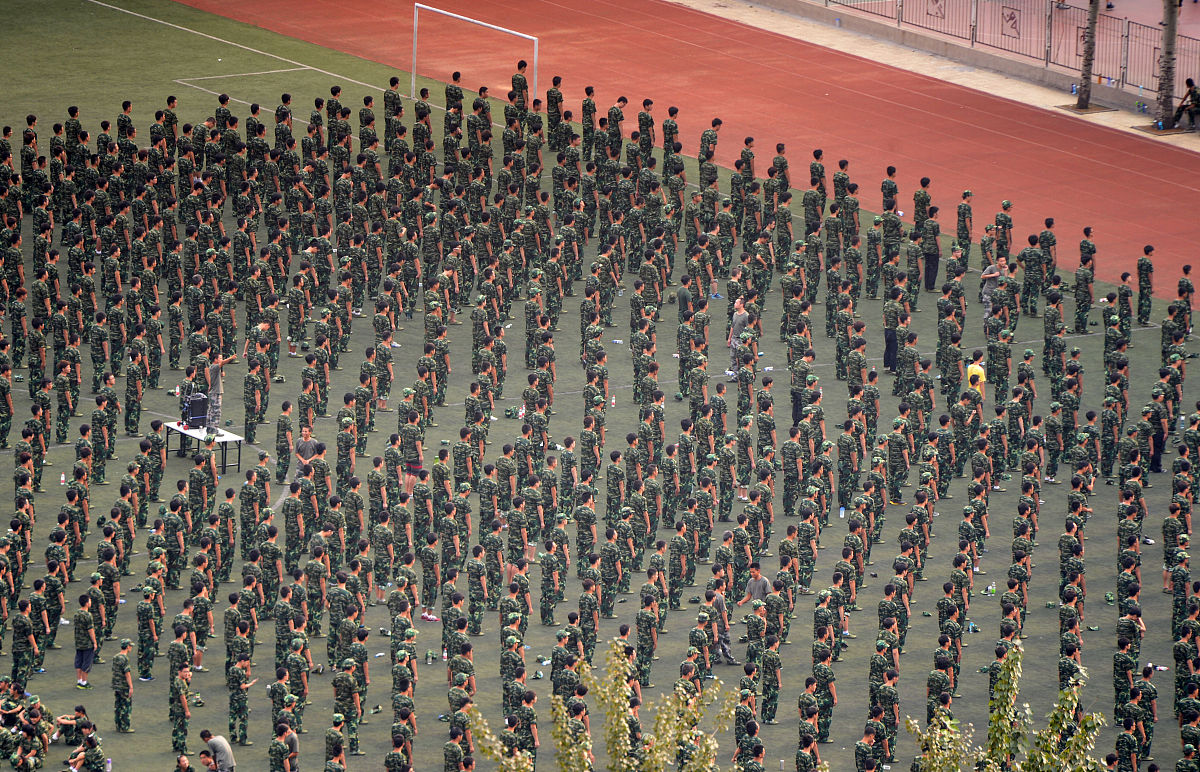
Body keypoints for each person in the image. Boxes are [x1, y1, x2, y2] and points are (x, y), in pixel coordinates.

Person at [206, 353, 239, 429]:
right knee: (216, 412)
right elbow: (222, 363)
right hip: (216, 392)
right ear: (215, 359)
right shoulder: (214, 367)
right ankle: (214, 429)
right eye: (220, 358)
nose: (221, 360)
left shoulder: (213, 367)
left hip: (214, 392)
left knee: (211, 411)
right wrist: (231, 358)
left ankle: (209, 427)